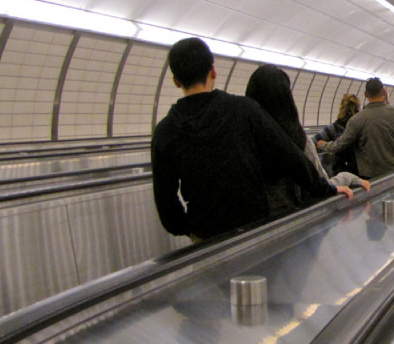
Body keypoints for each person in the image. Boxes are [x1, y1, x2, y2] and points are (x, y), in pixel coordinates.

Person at [151, 38, 346, 241]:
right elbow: (290, 156)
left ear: (176, 80)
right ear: (213, 71)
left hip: (205, 235)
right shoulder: (244, 110)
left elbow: (165, 201)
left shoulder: (165, 131)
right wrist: (327, 189)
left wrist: (188, 227)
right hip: (253, 230)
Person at [245, 65, 367, 214]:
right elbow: (321, 186)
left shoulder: (240, 140)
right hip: (292, 222)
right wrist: (348, 178)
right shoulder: (298, 140)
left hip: (248, 227)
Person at [314, 93, 361, 176]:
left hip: (337, 173)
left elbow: (313, 141)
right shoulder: (360, 127)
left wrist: (322, 145)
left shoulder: (334, 128)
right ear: (358, 108)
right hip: (358, 172)